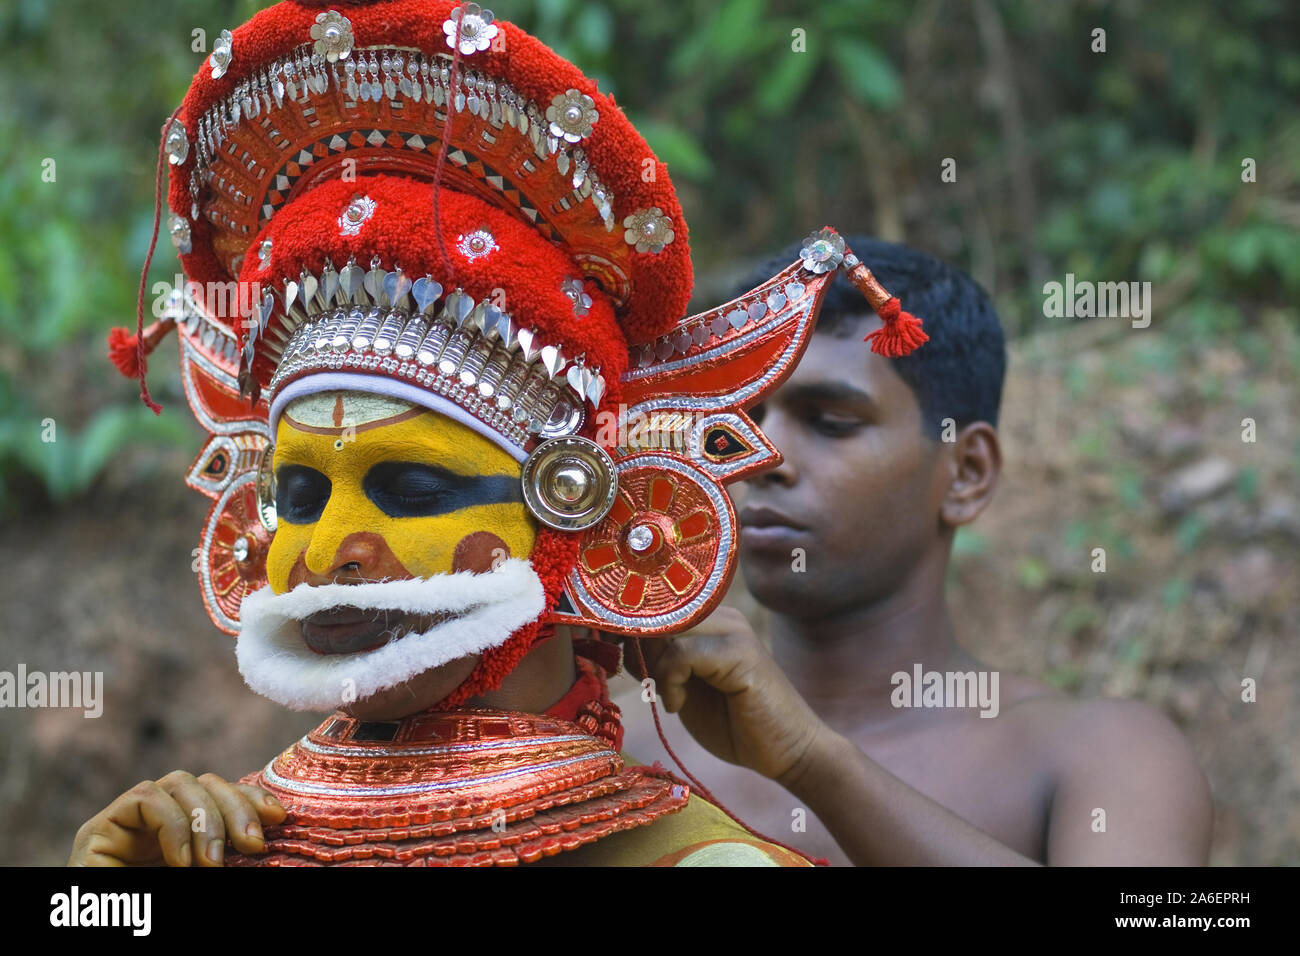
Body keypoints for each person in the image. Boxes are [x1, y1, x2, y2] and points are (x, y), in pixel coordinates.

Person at [69, 1, 927, 867]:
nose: (329, 551)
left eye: (414, 489)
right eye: (299, 495)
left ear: (577, 506)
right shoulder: (215, 846)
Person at [616, 236, 1213, 865]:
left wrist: (814, 763)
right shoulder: (625, 746)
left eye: (831, 422)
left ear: (967, 473)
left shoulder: (1102, 756)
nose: (764, 456)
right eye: (740, 419)